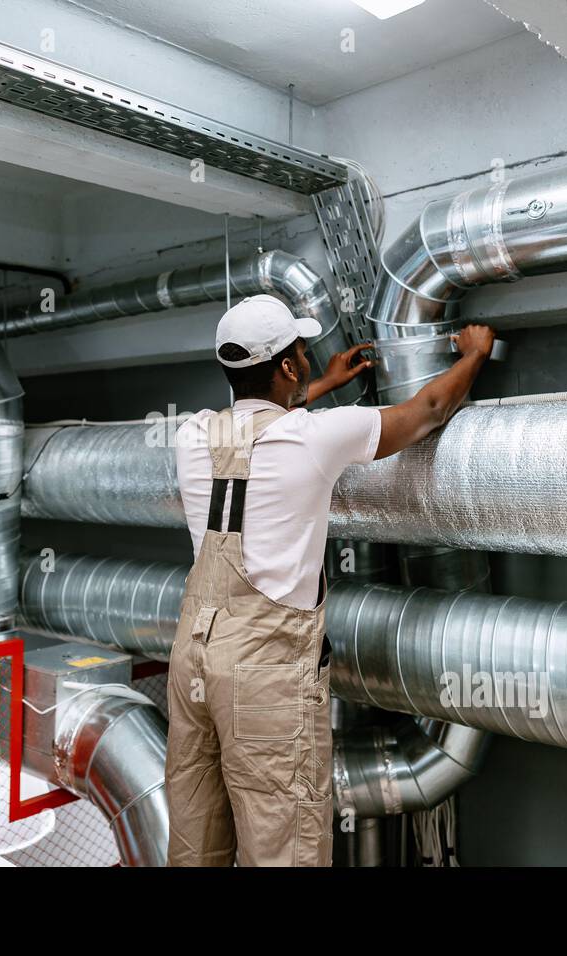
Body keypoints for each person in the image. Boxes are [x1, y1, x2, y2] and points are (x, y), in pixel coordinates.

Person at [165, 292, 495, 867]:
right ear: (289, 366)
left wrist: (315, 389)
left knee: (197, 837)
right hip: (262, 673)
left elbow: (257, 430)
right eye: (303, 353)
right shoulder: (317, 438)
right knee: (282, 841)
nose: (310, 361)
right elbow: (431, 408)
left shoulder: (192, 435)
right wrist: (474, 354)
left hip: (193, 658)